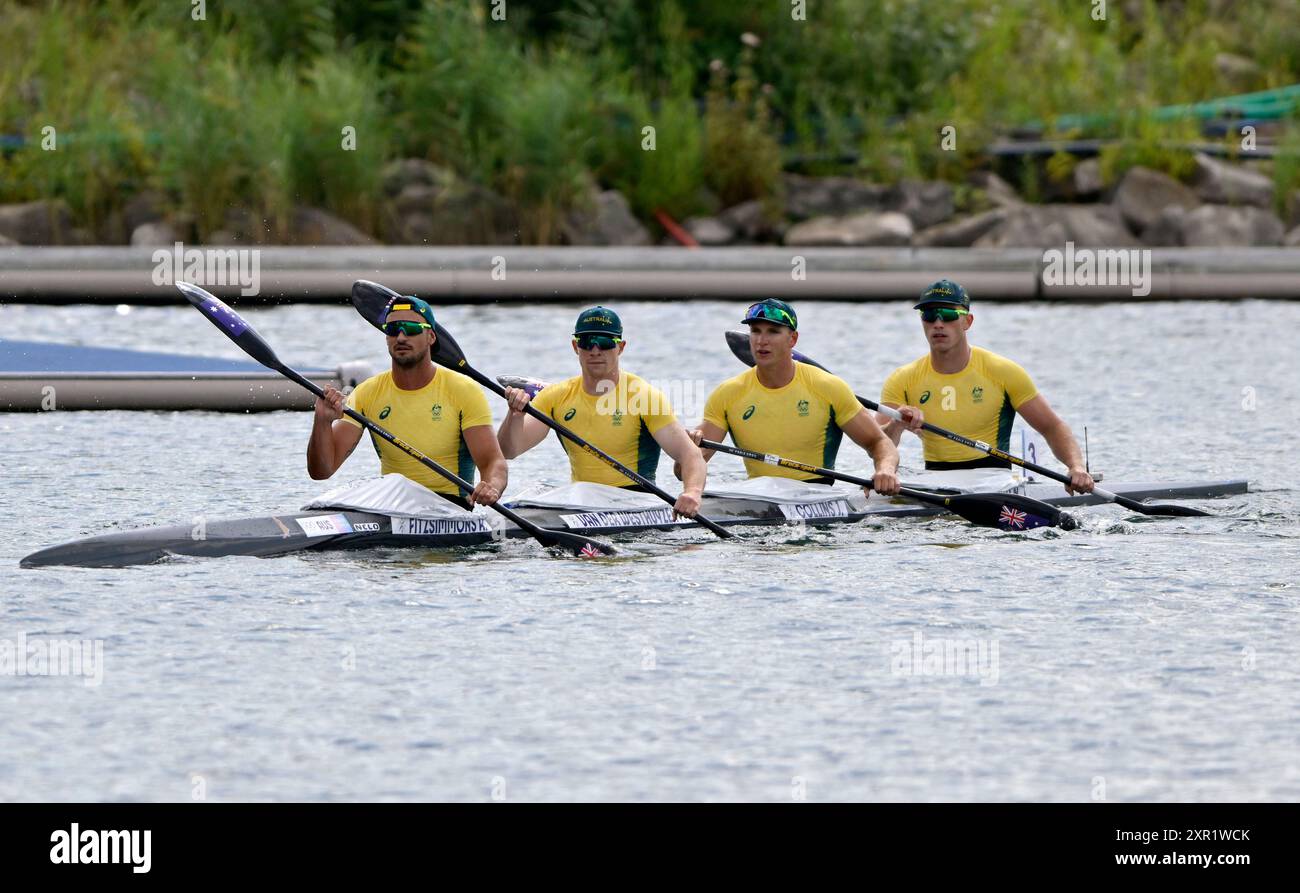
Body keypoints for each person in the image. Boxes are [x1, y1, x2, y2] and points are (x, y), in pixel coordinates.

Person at [878, 279, 1094, 494]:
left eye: (949, 314)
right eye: (929, 315)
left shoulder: (1003, 371)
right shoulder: (903, 378)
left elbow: (1052, 427)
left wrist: (1075, 467)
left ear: (967, 322)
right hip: (934, 481)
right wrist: (896, 425)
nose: (938, 323)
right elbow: (876, 441)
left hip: (994, 480)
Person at [498, 306, 707, 518]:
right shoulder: (555, 396)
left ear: (621, 347)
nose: (595, 350)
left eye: (605, 342)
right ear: (575, 346)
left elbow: (690, 454)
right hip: (582, 503)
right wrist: (515, 416)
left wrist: (692, 492)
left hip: (635, 501)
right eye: (587, 342)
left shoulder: (643, 397)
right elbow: (509, 451)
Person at [307, 295, 508, 508]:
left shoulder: (463, 390)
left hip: (450, 507)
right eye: (393, 329)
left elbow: (493, 462)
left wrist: (491, 486)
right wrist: (322, 422)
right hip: (392, 506)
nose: (401, 337)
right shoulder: (367, 392)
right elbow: (321, 471)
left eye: (411, 329)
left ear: (430, 336)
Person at [687, 299, 901, 495]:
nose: (761, 340)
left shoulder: (827, 386)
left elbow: (879, 442)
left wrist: (885, 470)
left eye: (773, 331)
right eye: (755, 331)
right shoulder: (727, 394)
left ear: (793, 339)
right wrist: (690, 450)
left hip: (817, 498)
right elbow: (684, 469)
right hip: (759, 497)